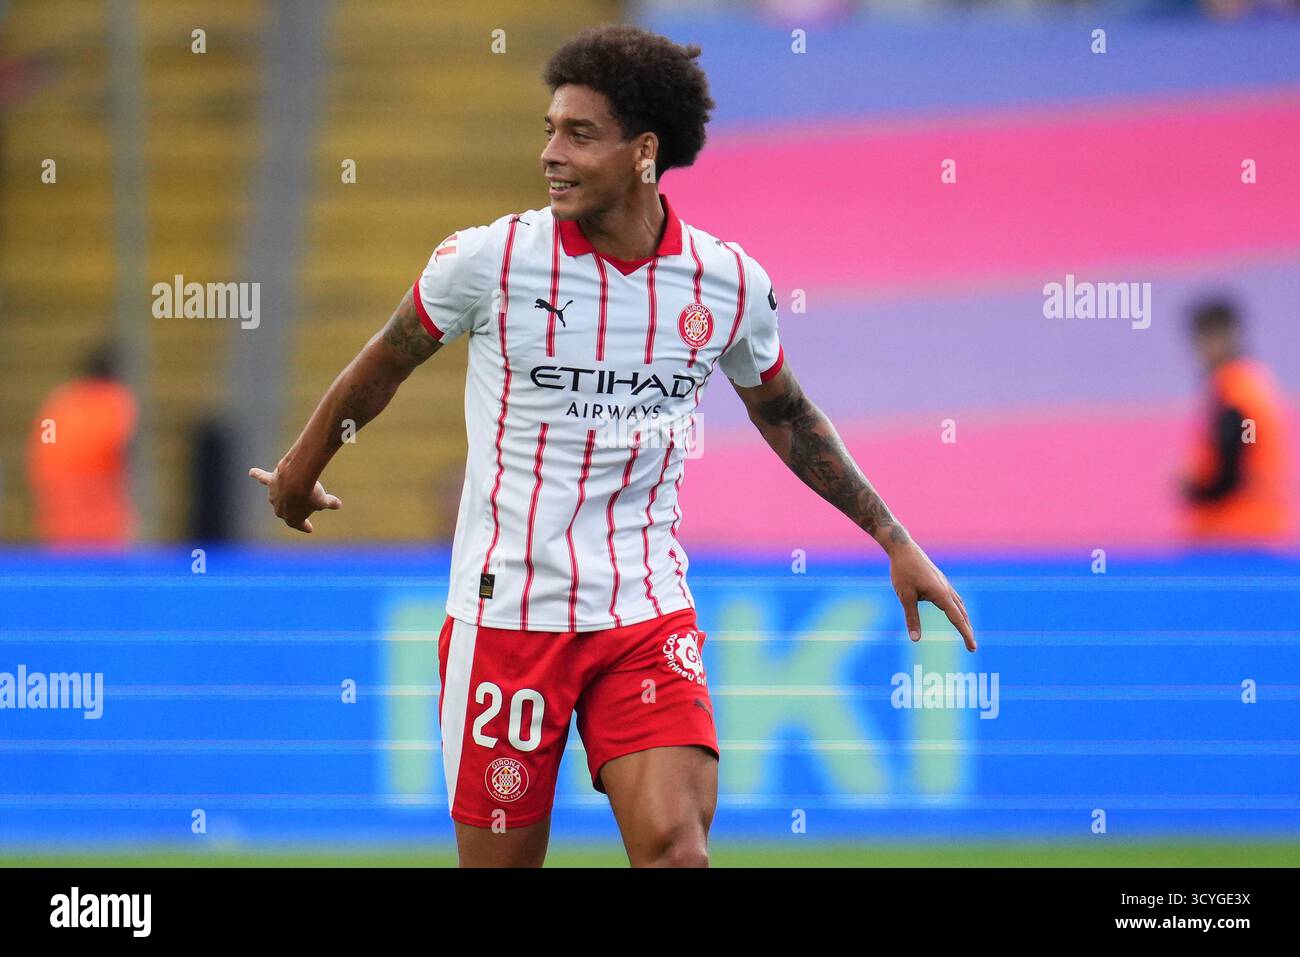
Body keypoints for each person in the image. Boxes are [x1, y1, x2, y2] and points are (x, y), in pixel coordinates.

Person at [249, 25, 974, 868]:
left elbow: (787, 414)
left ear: (644, 152)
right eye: (549, 130)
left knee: (677, 851)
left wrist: (892, 536)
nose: (551, 153)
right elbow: (387, 361)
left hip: (643, 610)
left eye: (579, 134)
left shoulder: (728, 283)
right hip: (508, 617)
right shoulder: (492, 260)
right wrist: (301, 472)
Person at [1179, 298, 1291, 543]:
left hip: (1235, 534)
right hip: (1255, 529)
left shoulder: (1235, 395)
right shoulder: (1251, 384)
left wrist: (1192, 488)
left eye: (1204, 340)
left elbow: (1232, 470)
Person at [28, 343, 136, 547]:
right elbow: (122, 453)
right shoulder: (115, 400)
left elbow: (42, 453)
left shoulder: (59, 402)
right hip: (102, 519)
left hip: (59, 516)